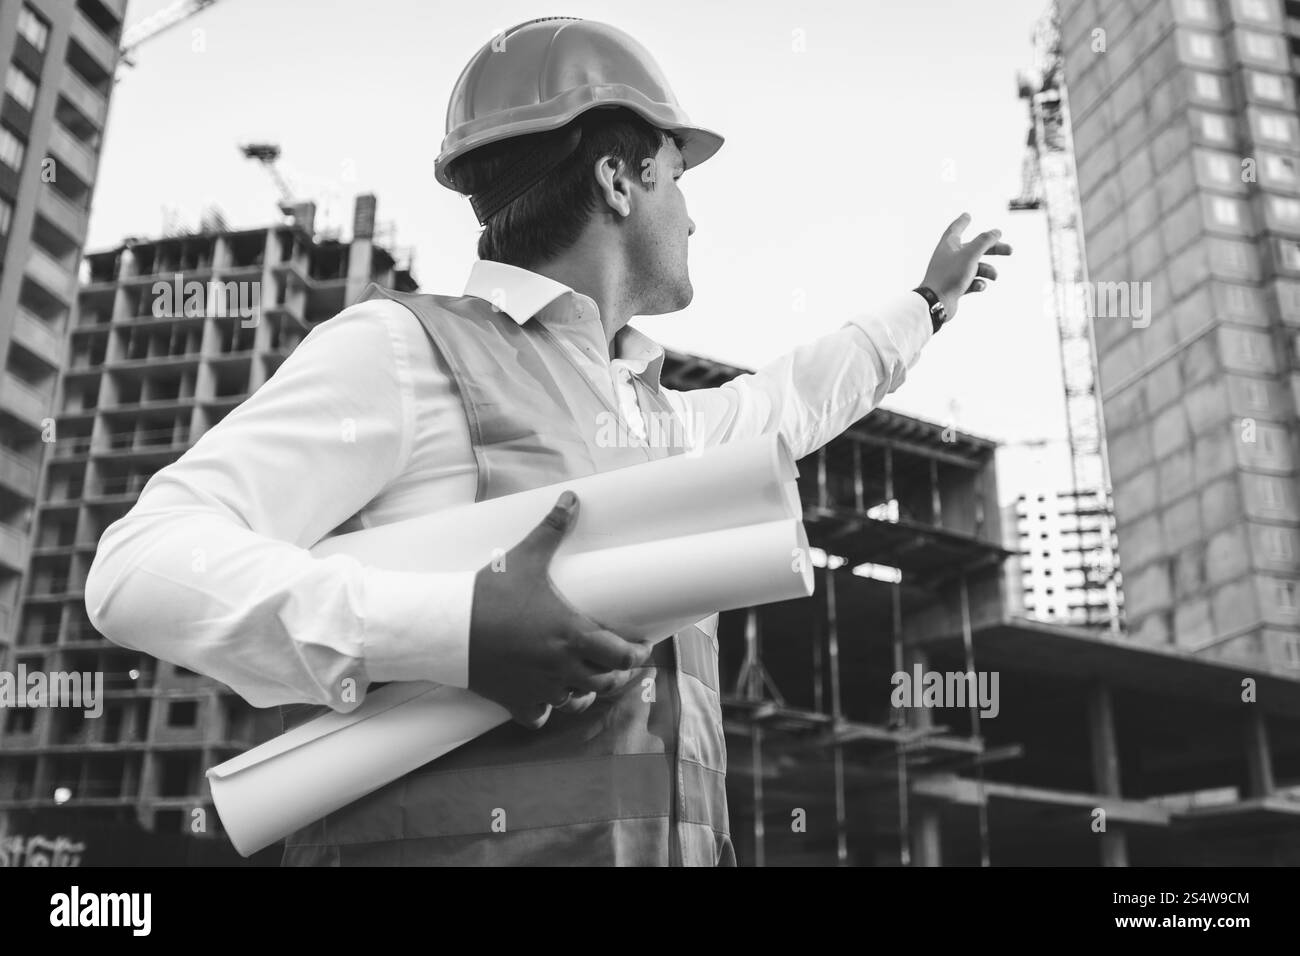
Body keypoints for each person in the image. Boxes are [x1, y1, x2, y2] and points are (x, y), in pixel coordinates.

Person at [84, 17, 1011, 866]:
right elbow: (137, 564)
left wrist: (926, 306)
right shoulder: (405, 350)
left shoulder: (654, 419)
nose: (693, 216)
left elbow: (791, 402)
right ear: (617, 179)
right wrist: (457, 628)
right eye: (677, 179)